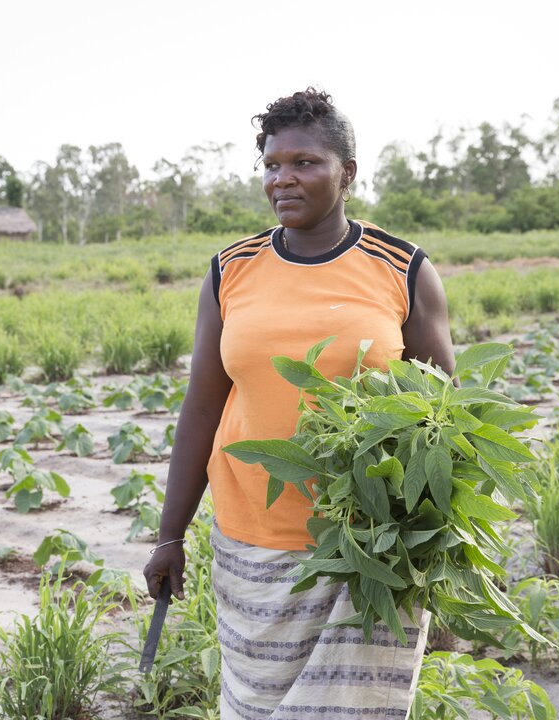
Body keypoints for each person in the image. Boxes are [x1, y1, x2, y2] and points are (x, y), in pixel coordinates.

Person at [141, 87, 454, 719]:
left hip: (368, 547)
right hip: (253, 544)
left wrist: (431, 537)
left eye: (305, 162)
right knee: (255, 707)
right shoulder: (231, 269)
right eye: (272, 165)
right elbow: (202, 407)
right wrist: (169, 534)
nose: (282, 179)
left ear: (348, 173)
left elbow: (443, 414)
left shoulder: (402, 268)